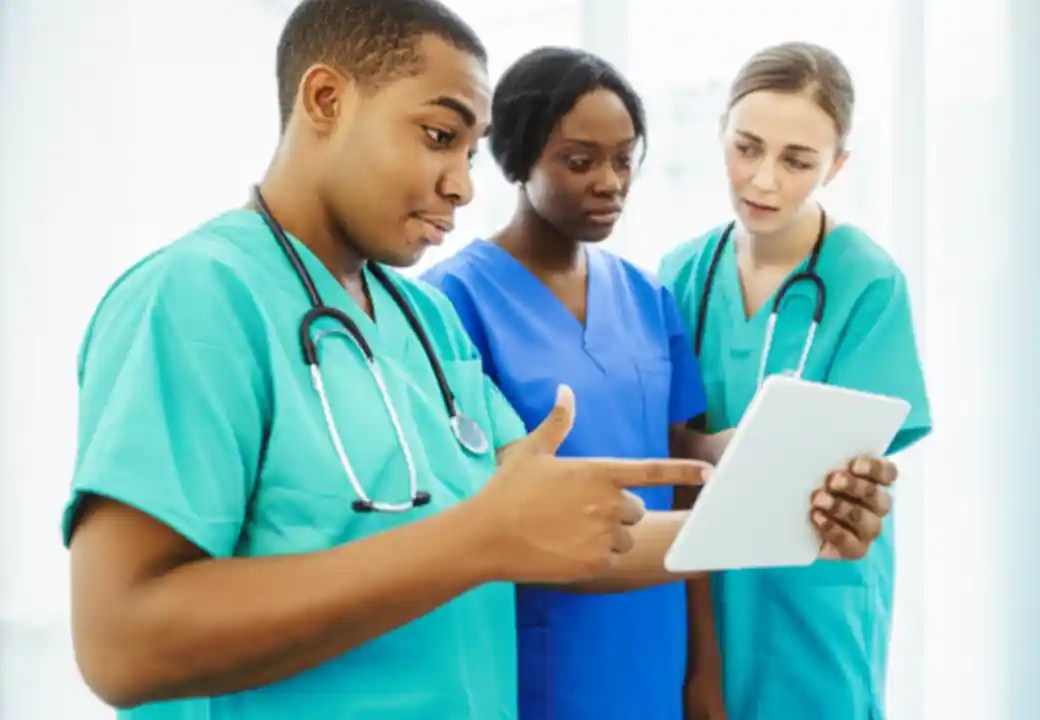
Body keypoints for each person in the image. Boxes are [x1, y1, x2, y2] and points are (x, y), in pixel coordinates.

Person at [61, 3, 712, 718]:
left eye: (470, 153)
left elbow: (547, 533)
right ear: (326, 100)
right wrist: (473, 541)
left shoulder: (427, 322)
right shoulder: (196, 299)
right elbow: (123, 644)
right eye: (439, 136)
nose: (463, 185)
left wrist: (759, 528)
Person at [421, 46, 903, 720]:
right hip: (544, 645)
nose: (610, 183)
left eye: (625, 160)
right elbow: (460, 512)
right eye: (580, 161)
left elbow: (684, 471)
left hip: (658, 638)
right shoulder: (448, 303)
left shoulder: (647, 296)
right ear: (518, 158)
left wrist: (703, 669)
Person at [659, 42, 933, 720]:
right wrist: (707, 451)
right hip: (705, 601)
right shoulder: (682, 274)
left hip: (817, 600)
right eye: (746, 148)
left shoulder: (867, 282)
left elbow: (856, 470)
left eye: (797, 161)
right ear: (721, 131)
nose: (763, 181)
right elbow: (661, 442)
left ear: (837, 165)